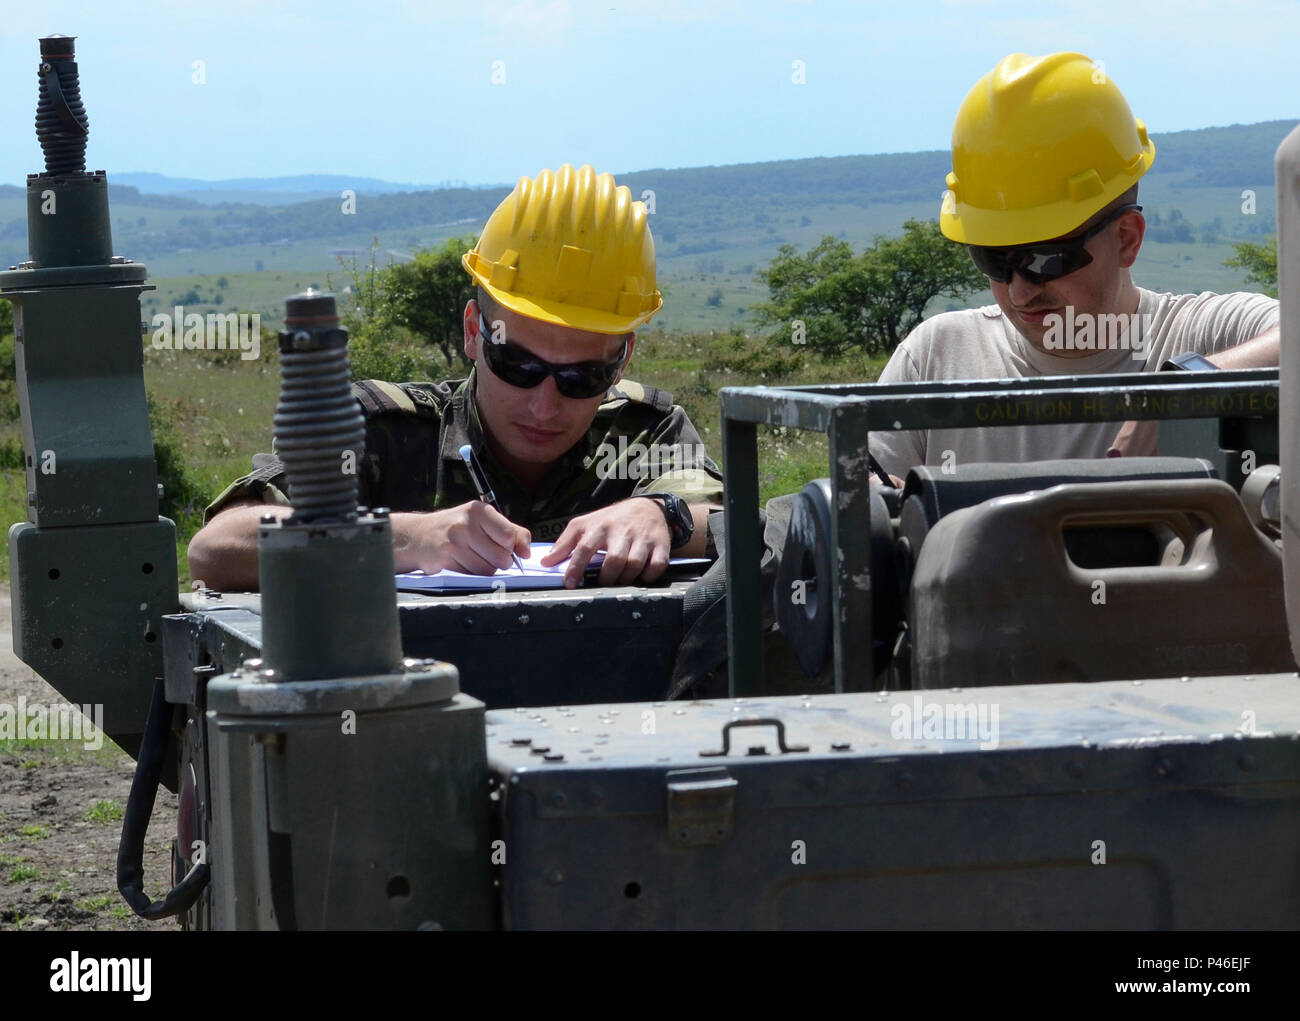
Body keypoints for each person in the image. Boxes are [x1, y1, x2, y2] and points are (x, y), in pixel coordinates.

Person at [188, 164, 723, 591]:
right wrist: (409, 539)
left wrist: (662, 515)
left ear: (622, 360)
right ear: (474, 332)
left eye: (583, 377)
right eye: (518, 366)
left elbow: (739, 526)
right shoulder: (380, 429)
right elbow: (217, 548)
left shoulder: (648, 431)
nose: (544, 405)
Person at [869, 52, 1279, 482]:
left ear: (1126, 239)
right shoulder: (935, 359)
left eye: (1045, 259)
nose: (1019, 292)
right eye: (992, 259)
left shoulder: (1210, 332)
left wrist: (1181, 397)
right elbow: (862, 511)